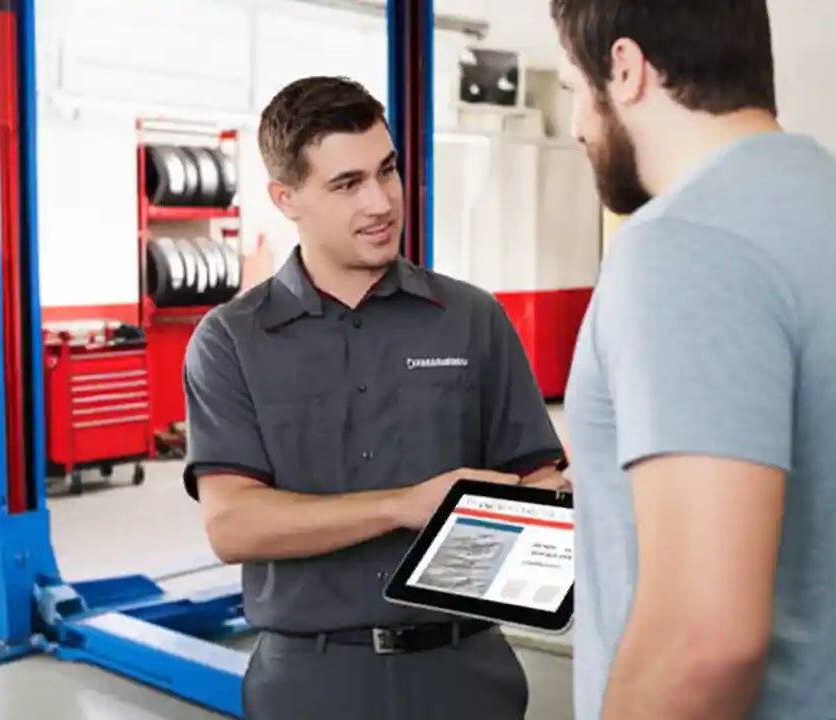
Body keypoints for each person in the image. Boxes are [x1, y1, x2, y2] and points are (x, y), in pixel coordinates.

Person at [552, 1, 836, 718]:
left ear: (625, 69)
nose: (574, 125)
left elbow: (702, 642)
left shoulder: (685, 244)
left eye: (571, 88)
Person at [181, 75, 569, 720]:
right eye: (346, 184)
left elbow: (540, 476)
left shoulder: (472, 318)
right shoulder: (232, 341)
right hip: (312, 680)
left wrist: (556, 503)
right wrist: (402, 507)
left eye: (387, 171)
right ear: (287, 198)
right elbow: (233, 524)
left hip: (467, 670)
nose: (381, 201)